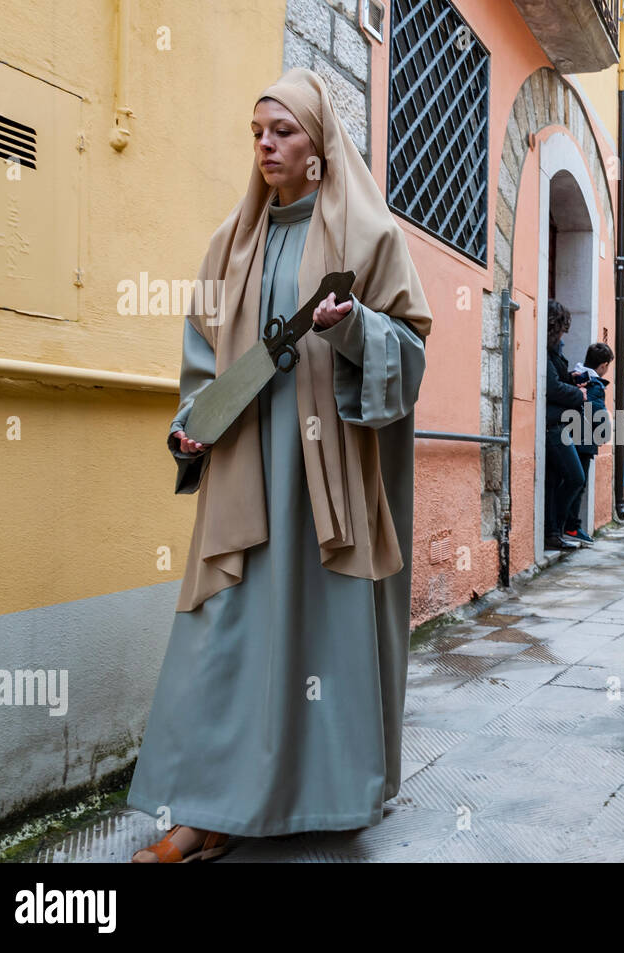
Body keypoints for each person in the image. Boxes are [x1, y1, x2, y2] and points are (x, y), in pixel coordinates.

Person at [127, 68, 434, 862]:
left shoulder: (373, 239)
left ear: (319, 146)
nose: (265, 144)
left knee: (319, 632)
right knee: (228, 628)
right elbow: (204, 365)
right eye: (258, 132)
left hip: (329, 470)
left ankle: (327, 791)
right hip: (247, 470)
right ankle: (206, 807)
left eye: (282, 131)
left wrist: (357, 327)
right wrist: (191, 427)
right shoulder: (231, 242)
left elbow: (409, 350)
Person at [543, 300, 585, 551]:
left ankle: (552, 532)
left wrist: (571, 379)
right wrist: (578, 394)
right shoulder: (546, 350)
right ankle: (554, 529)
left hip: (558, 424)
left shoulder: (552, 350)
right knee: (575, 477)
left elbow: (557, 380)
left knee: (554, 481)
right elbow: (551, 386)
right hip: (553, 427)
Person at [563, 341, 614, 547]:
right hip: (583, 440)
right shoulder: (594, 384)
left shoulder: (576, 376)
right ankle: (571, 526)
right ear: (603, 366)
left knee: (572, 483)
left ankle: (568, 525)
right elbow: (597, 412)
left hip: (571, 435)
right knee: (578, 484)